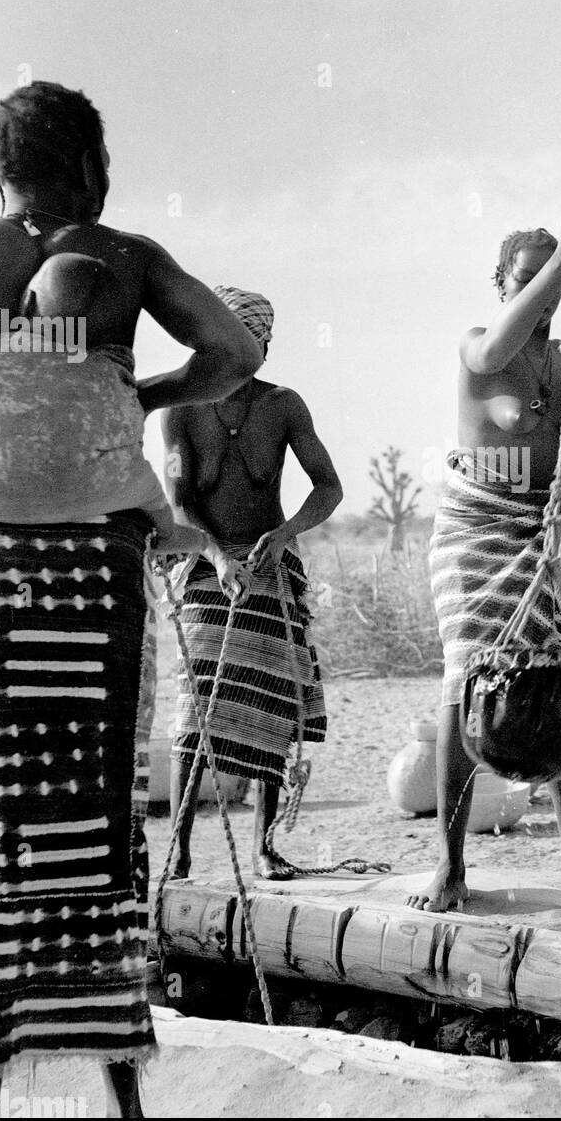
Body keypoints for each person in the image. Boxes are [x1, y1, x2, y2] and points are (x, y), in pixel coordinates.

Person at [0, 80, 263, 1116]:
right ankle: (120, 1089)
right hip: (92, 566)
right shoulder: (129, 256)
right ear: (92, 163)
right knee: (94, 810)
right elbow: (234, 353)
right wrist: (141, 393)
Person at [407, 214, 561, 914]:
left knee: (558, 675)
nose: (543, 296)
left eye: (556, 280)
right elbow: (488, 360)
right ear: (503, 284)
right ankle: (449, 867)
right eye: (526, 280)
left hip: (539, 535)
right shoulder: (479, 345)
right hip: (475, 531)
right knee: (468, 677)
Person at [163, 286, 343, 881]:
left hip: (271, 568)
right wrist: (215, 554)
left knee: (267, 704)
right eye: (230, 344)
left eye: (253, 345)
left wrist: (287, 532)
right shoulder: (180, 411)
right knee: (198, 710)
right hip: (204, 567)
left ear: (264, 347)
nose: (244, 355)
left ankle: (264, 846)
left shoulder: (285, 405)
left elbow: (328, 487)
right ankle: (181, 847)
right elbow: (179, 500)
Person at [0, 252, 223, 560]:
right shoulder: (107, 369)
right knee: (150, 495)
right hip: (103, 490)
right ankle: (168, 535)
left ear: (29, 303)